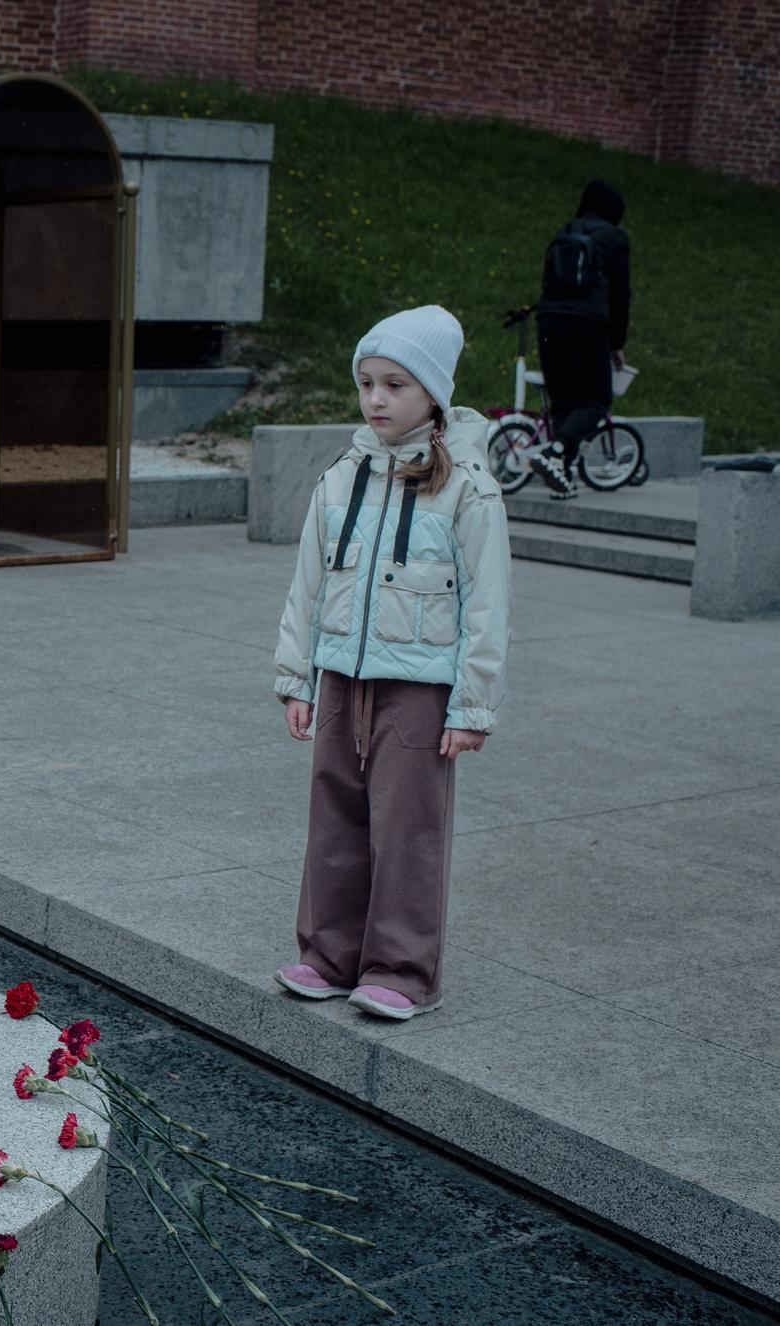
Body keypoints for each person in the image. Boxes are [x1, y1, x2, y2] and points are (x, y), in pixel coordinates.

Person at [272, 305, 510, 1021]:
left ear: (432, 393)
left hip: (420, 690)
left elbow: (487, 606)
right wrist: (297, 678)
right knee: (335, 815)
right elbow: (306, 586)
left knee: (407, 827)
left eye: (395, 385)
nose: (376, 399)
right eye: (368, 382)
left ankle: (402, 971)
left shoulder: (466, 486)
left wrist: (471, 708)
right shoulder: (341, 478)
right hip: (343, 677)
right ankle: (328, 955)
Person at [529, 180, 630, 500]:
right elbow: (621, 295)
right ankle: (556, 450)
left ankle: (563, 476)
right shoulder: (614, 239)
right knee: (596, 399)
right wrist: (616, 343)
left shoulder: (564, 232)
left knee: (563, 400)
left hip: (548, 320)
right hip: (586, 324)